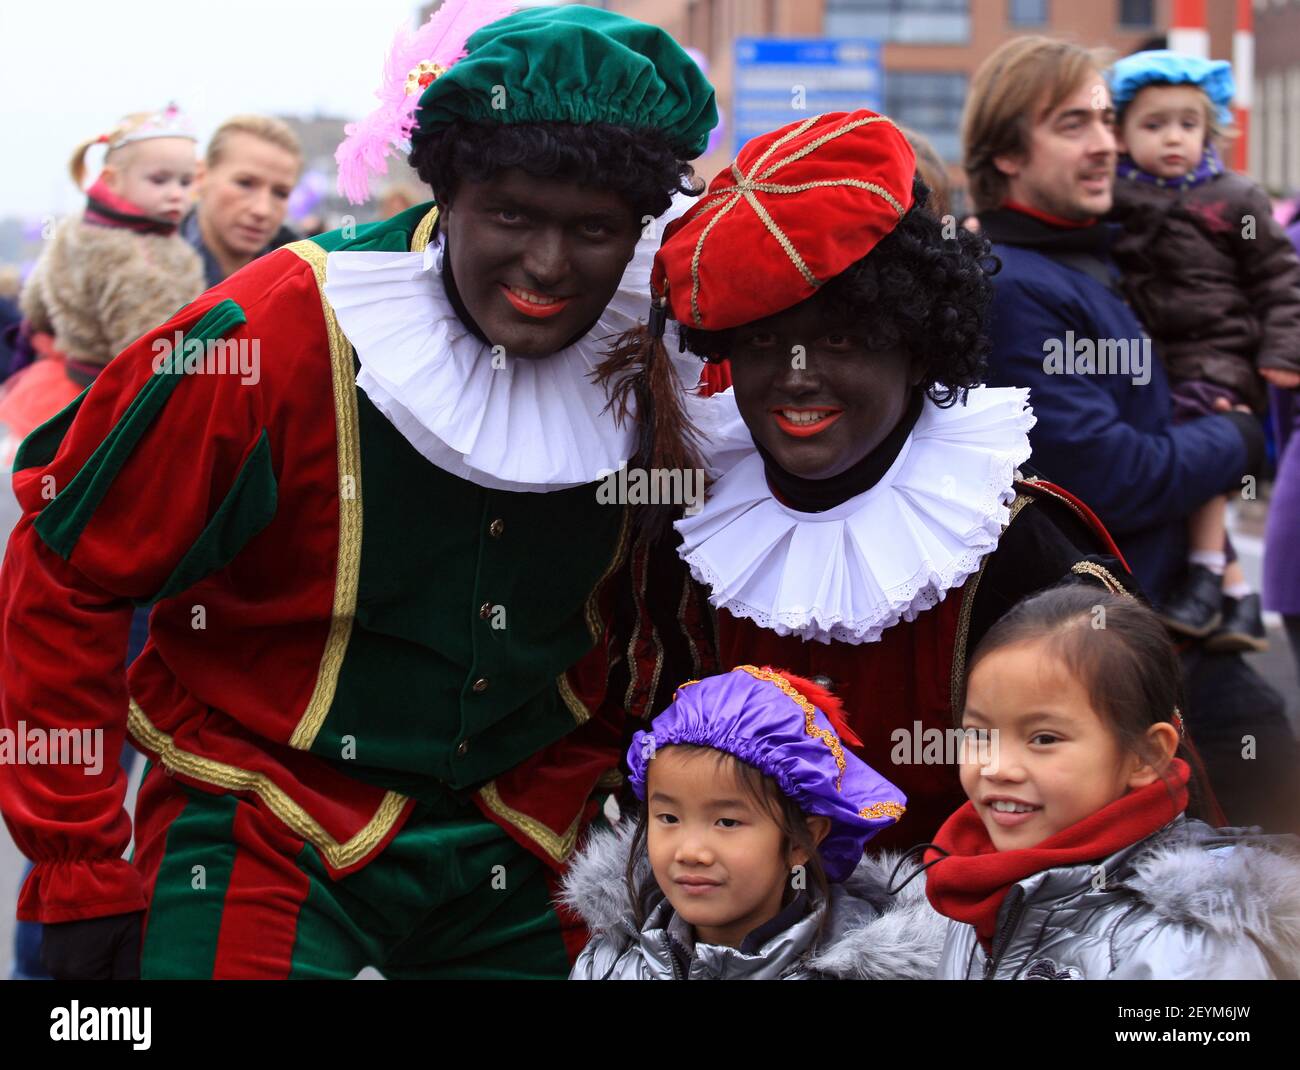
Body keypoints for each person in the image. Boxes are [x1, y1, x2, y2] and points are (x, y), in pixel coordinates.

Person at [0, 3, 718, 979]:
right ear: (449, 189)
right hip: (258, 810)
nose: (548, 267)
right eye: (510, 213)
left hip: (529, 823)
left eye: (592, 228)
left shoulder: (661, 351)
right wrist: (78, 865)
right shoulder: (269, 332)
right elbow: (66, 569)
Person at [601, 108, 1138, 848]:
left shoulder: (1024, 550)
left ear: (918, 350)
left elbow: (1106, 817)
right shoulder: (688, 533)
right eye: (762, 340)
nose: (798, 377)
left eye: (841, 338)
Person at [962, 36, 1298, 833]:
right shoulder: (1018, 289)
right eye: (1074, 124)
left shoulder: (1097, 260)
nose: (1108, 143)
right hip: (1123, 653)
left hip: (1162, 640)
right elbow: (1111, 475)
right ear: (1007, 152)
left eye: (1109, 121)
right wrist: (1245, 440)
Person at [913, 586, 1300, 980]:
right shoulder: (967, 885)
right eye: (979, 735)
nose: (998, 767)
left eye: (1044, 739)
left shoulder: (1189, 949)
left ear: (1145, 755)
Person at [563, 665, 944, 980]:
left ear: (801, 841)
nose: (690, 851)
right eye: (669, 818)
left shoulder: (865, 971)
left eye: (727, 822)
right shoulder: (610, 961)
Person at [1107, 50, 1300, 651]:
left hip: (1220, 353)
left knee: (1199, 445)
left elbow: (1280, 279)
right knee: (1171, 446)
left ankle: (1205, 572)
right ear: (1121, 132)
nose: (1173, 139)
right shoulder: (1114, 197)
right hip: (1152, 357)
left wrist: (1283, 351)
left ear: (1210, 130)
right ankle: (1237, 596)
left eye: (1188, 126)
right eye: (1154, 125)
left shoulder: (1234, 196)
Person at [181, 114, 302, 285]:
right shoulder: (142, 273)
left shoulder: (309, 286)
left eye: (280, 193)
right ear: (201, 176)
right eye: (245, 184)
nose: (262, 210)